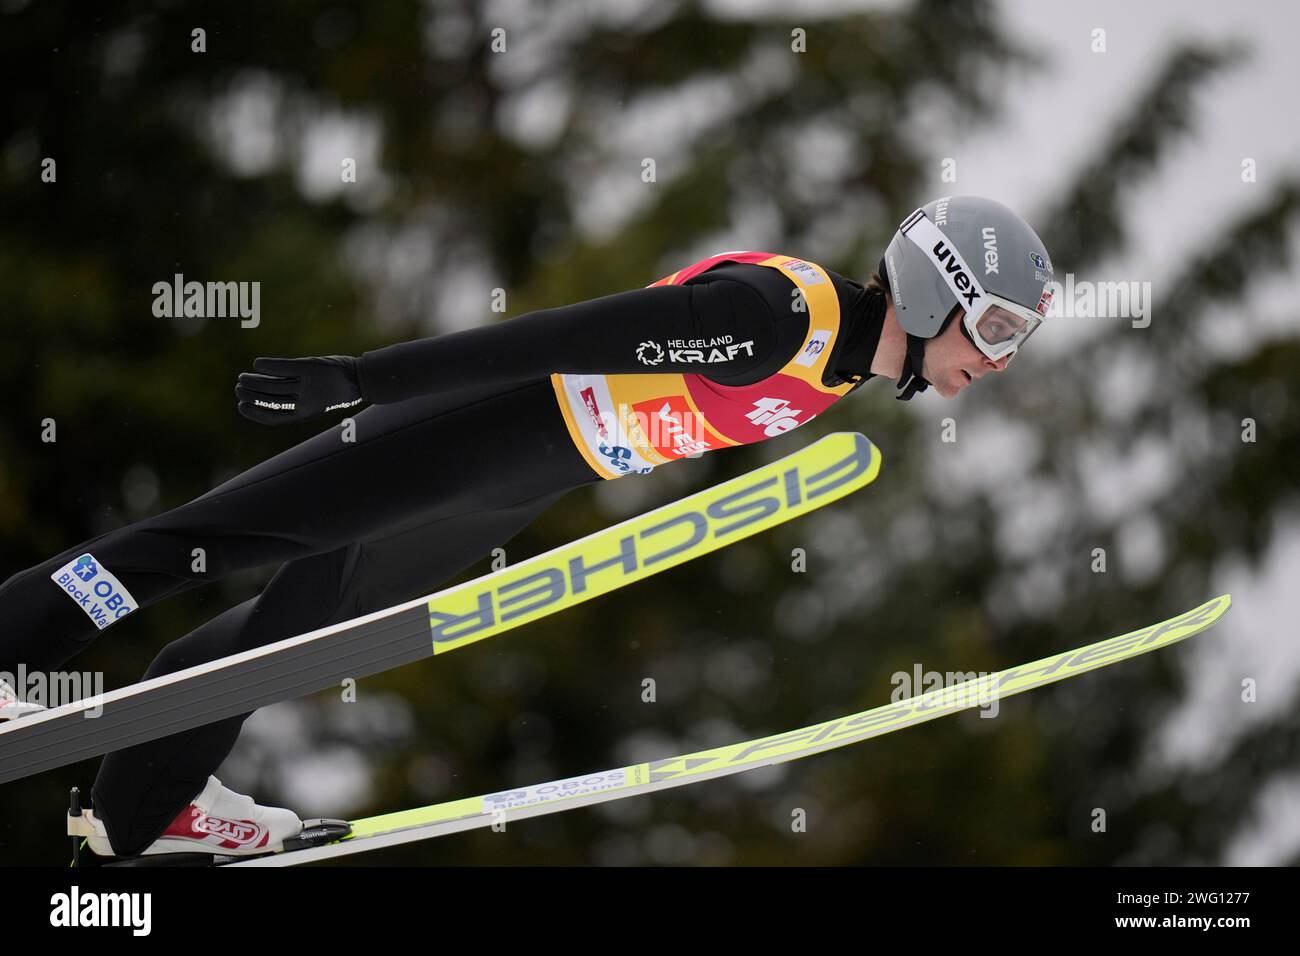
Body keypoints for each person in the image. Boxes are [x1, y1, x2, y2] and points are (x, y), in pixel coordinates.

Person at [0, 194, 1054, 859]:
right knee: (217, 536)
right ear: (939, 289)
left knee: (295, 636)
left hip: (519, 479)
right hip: (480, 425)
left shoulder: (836, 368)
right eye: (998, 327)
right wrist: (365, 378)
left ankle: (145, 808)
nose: (998, 359)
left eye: (1018, 340)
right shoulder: (781, 316)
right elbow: (554, 337)